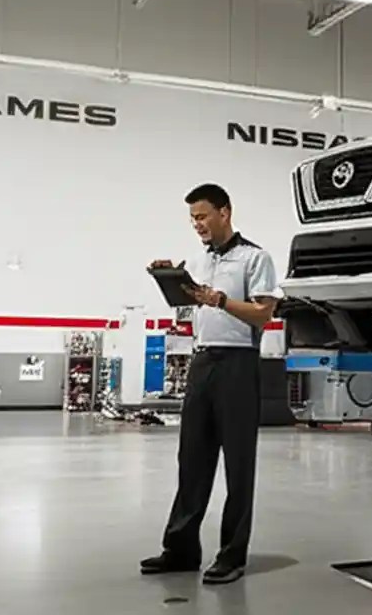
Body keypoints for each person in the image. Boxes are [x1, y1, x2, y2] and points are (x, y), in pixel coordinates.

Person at [141, 183, 281, 585]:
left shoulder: (255, 258)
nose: (197, 224)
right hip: (202, 362)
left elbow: (263, 314)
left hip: (238, 363)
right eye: (192, 219)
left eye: (202, 216)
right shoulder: (199, 261)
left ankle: (232, 555)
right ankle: (181, 549)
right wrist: (169, 278)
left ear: (224, 212)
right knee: (192, 460)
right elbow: (187, 303)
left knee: (239, 465)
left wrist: (220, 300)